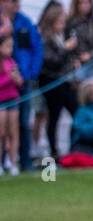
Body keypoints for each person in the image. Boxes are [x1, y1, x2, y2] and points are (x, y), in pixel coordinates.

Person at [1, 0, 42, 171]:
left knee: (22, 123)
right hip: (3, 85)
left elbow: (36, 48)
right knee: (2, 129)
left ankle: (23, 161)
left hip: (22, 81)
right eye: (11, 1)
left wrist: (30, 73)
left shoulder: (25, 22)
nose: (15, 5)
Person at [37, 2, 78, 160]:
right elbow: (50, 61)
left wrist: (73, 60)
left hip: (65, 81)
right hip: (51, 81)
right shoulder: (45, 37)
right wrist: (66, 48)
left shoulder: (63, 35)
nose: (63, 23)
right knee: (54, 116)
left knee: (76, 112)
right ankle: (53, 152)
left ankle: (74, 148)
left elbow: (65, 58)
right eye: (60, 20)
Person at [65, 0, 93, 82]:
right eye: (81, 3)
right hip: (75, 66)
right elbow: (63, 47)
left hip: (92, 64)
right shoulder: (69, 23)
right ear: (76, 5)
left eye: (87, 3)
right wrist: (73, 60)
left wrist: (90, 55)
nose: (84, 6)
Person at [0, 32, 21, 174]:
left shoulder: (12, 62)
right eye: (7, 46)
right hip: (1, 101)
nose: (10, 49)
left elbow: (20, 82)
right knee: (1, 133)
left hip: (13, 99)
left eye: (11, 46)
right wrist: (9, 78)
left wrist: (17, 79)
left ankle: (13, 163)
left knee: (13, 132)